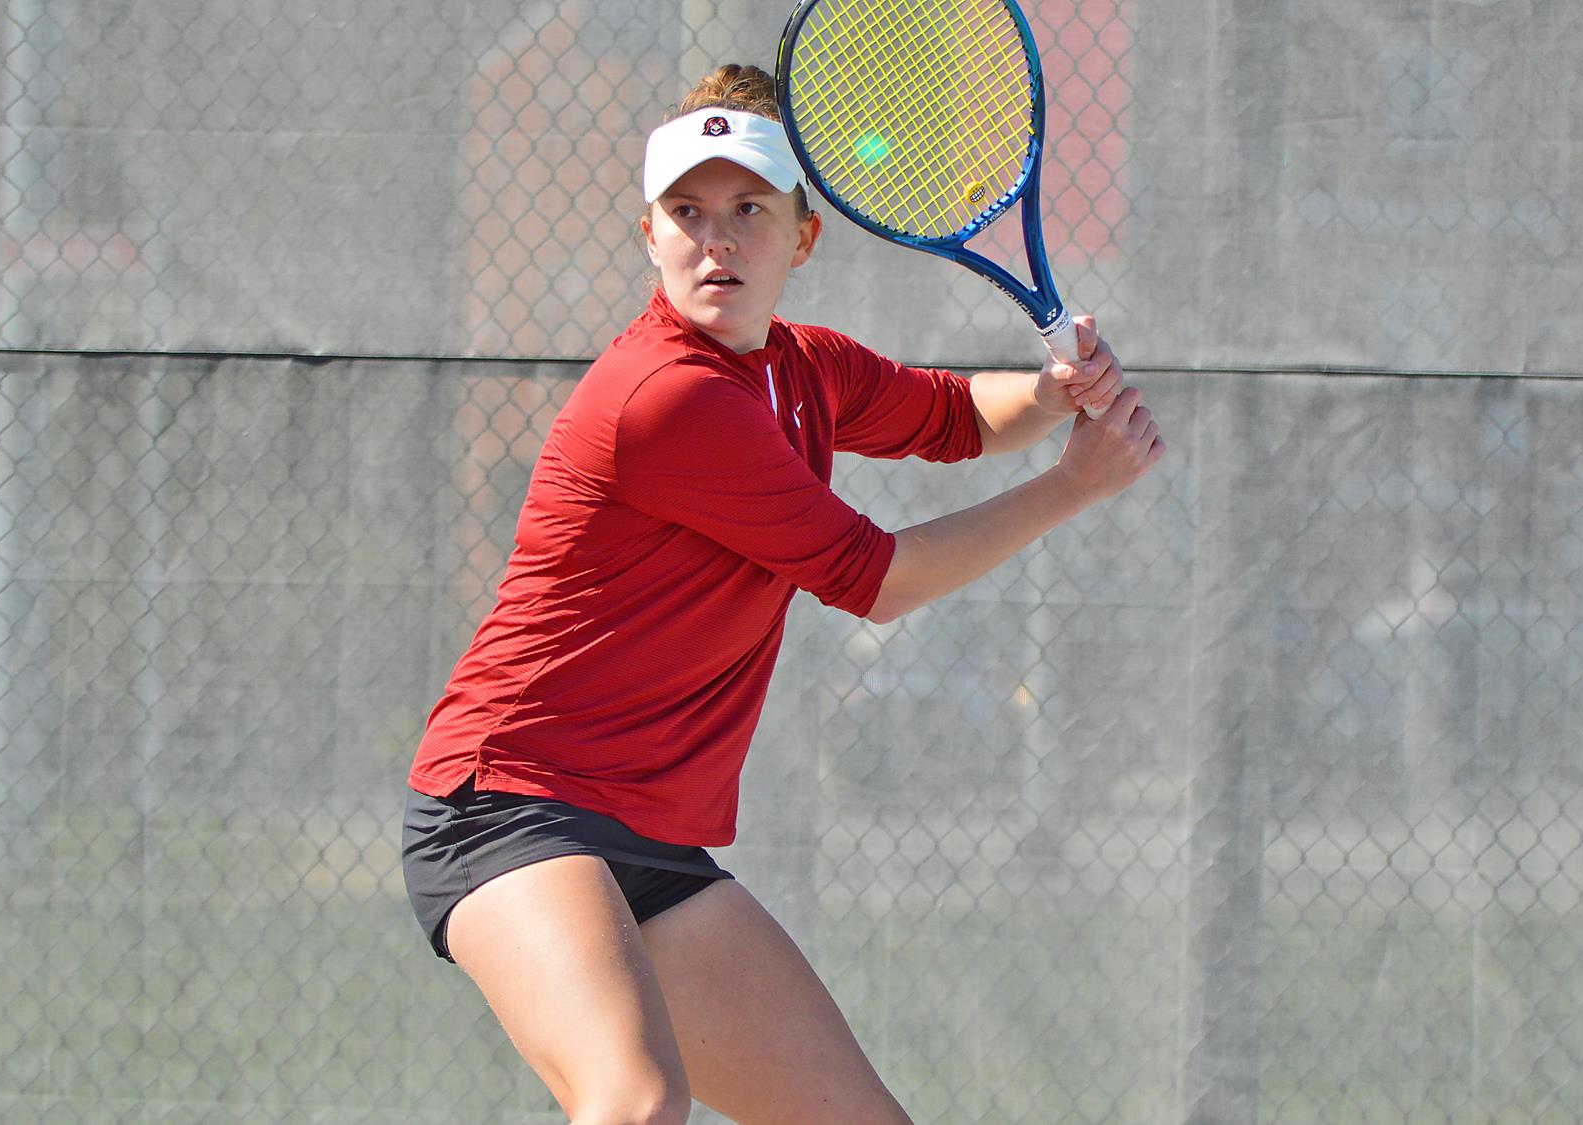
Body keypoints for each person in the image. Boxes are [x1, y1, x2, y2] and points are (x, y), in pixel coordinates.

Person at [402, 63, 1163, 1125]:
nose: (717, 239)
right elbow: (876, 581)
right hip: (506, 808)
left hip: (645, 837)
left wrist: (1047, 391)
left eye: (748, 209)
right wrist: (1071, 486)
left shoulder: (801, 368)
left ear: (801, 237)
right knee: (631, 1100)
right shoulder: (666, 400)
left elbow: (949, 418)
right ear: (650, 237)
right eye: (687, 213)